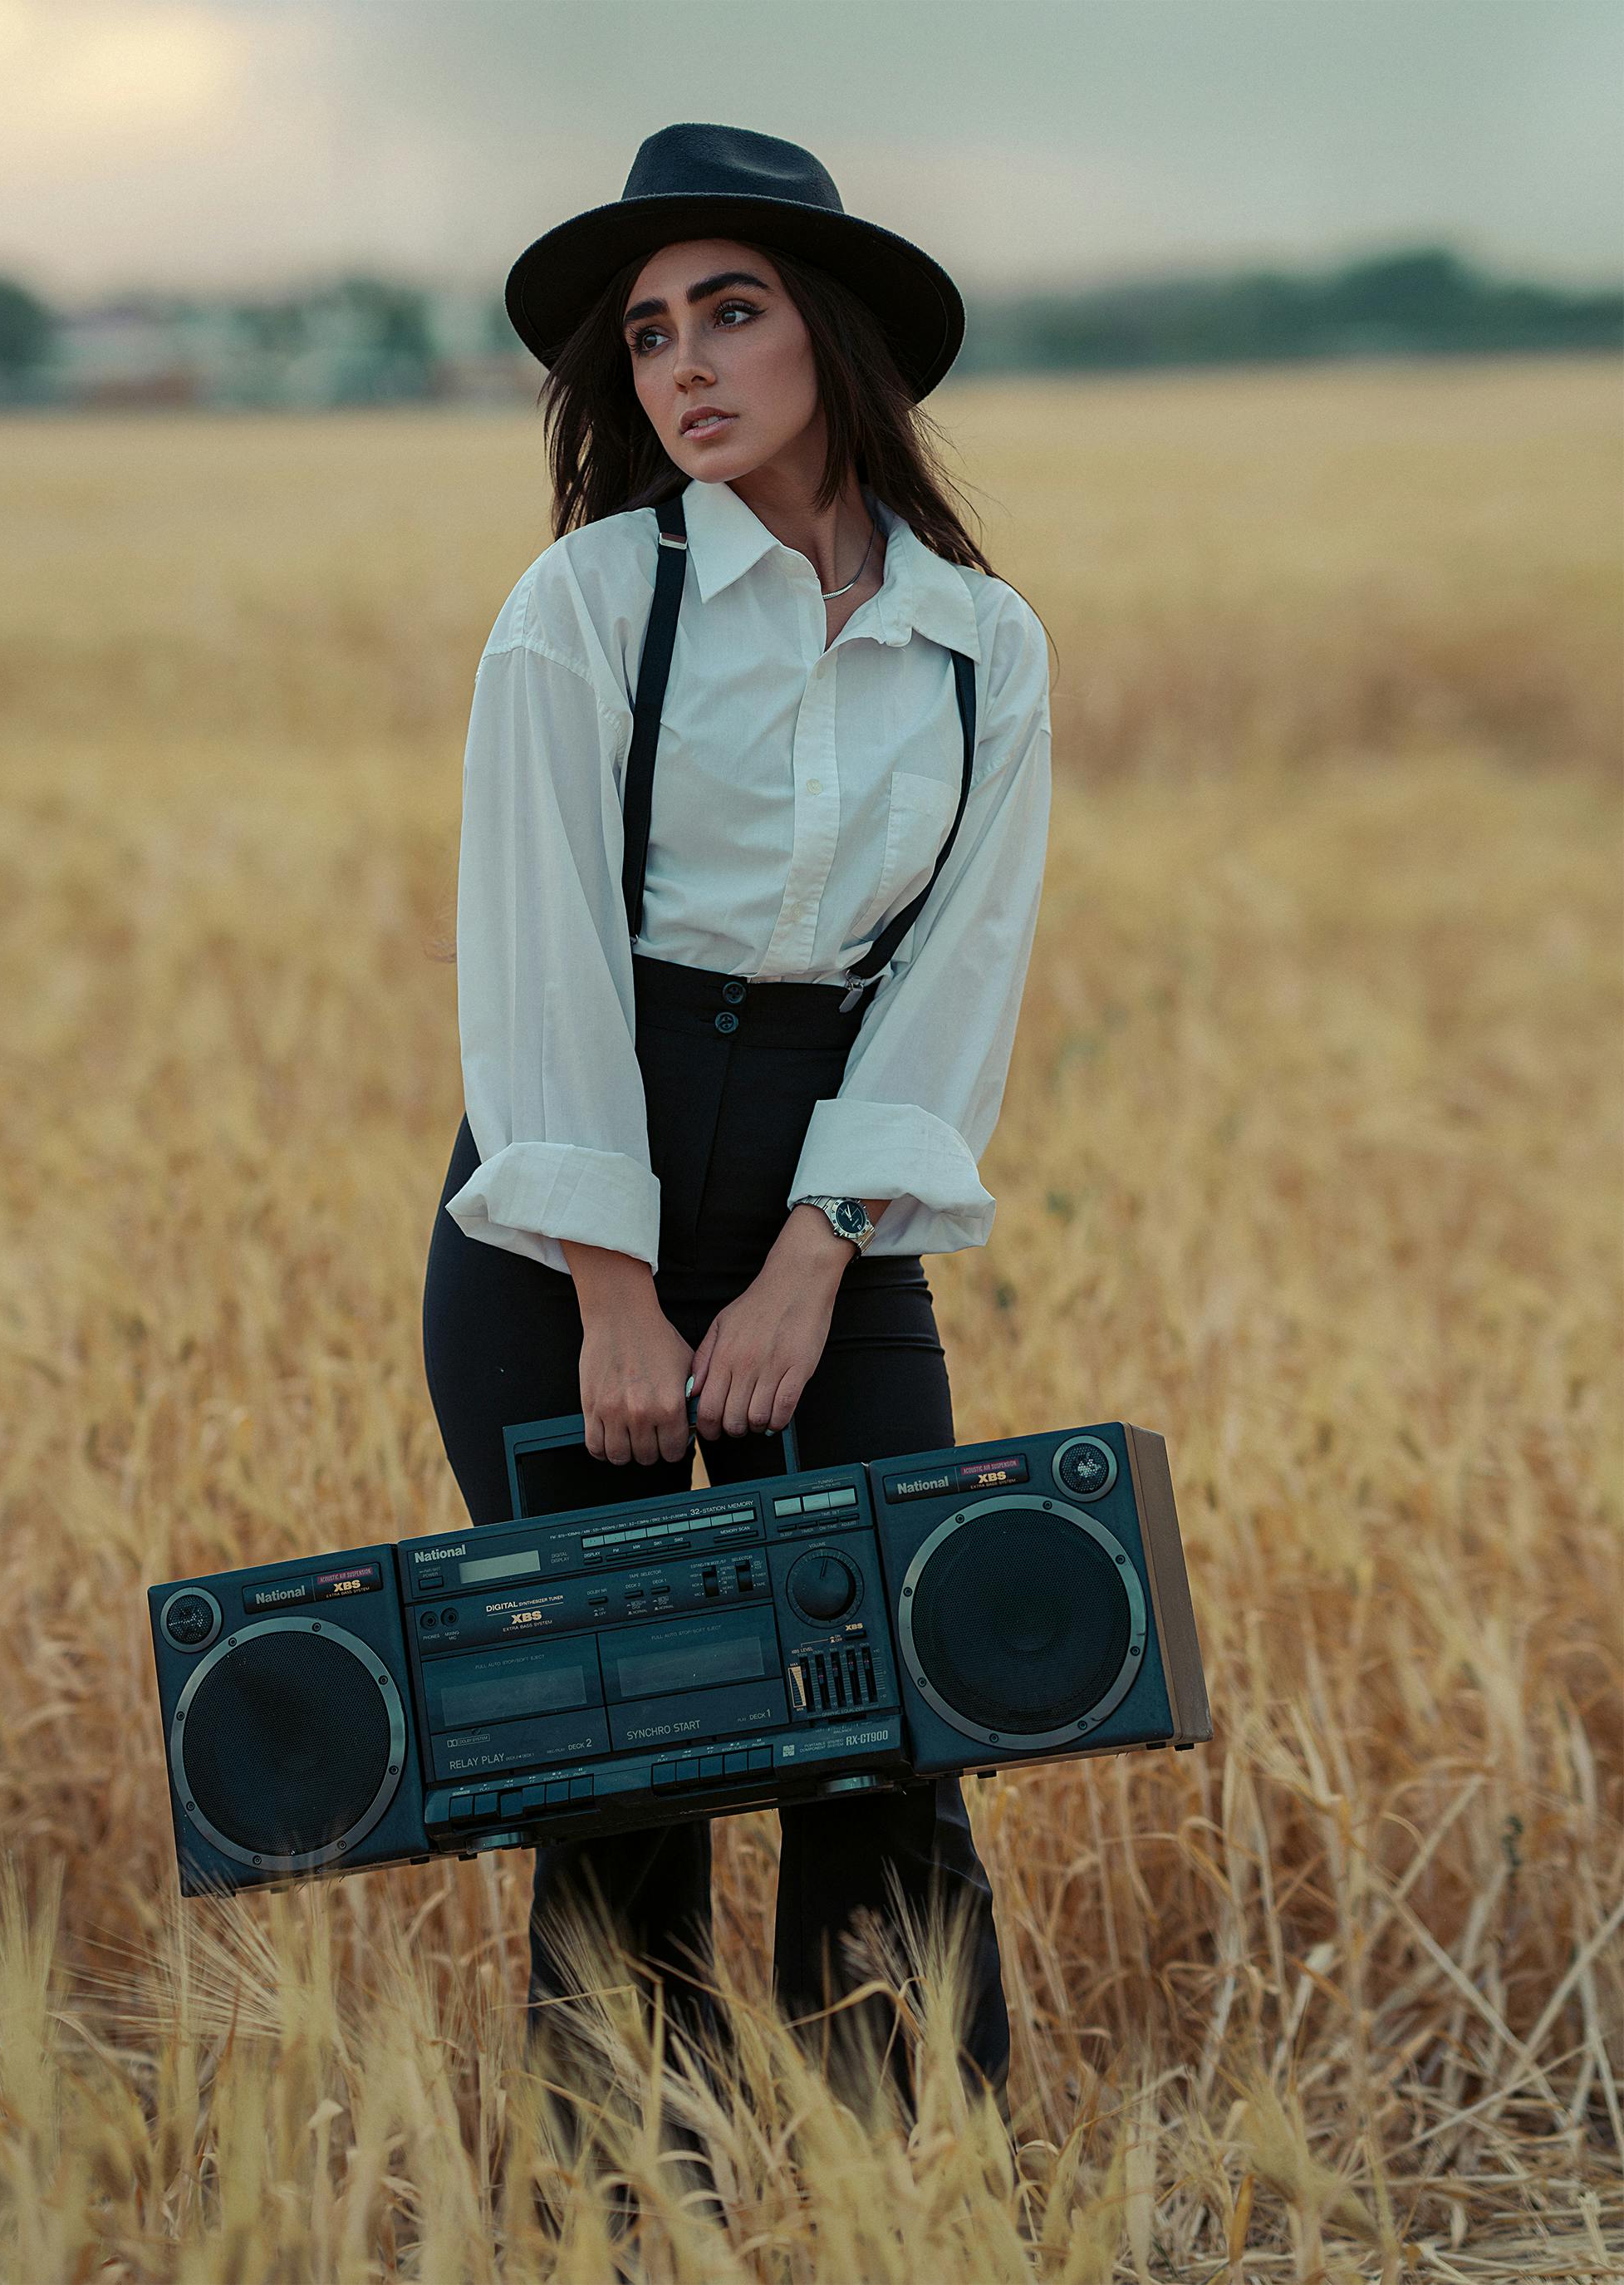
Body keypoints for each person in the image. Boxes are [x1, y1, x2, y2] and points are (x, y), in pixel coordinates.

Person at [419, 122, 1052, 2115]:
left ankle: (917, 2200)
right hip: (562, 1194)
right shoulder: (586, 606)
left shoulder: (981, 643)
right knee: (620, 1766)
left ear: (829, 337)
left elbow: (956, 981)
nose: (682, 363)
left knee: (886, 1727)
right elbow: (532, 970)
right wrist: (612, 1292)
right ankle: (630, 2226)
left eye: (730, 311)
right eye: (645, 332)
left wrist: (811, 1264)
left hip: (827, 1181)